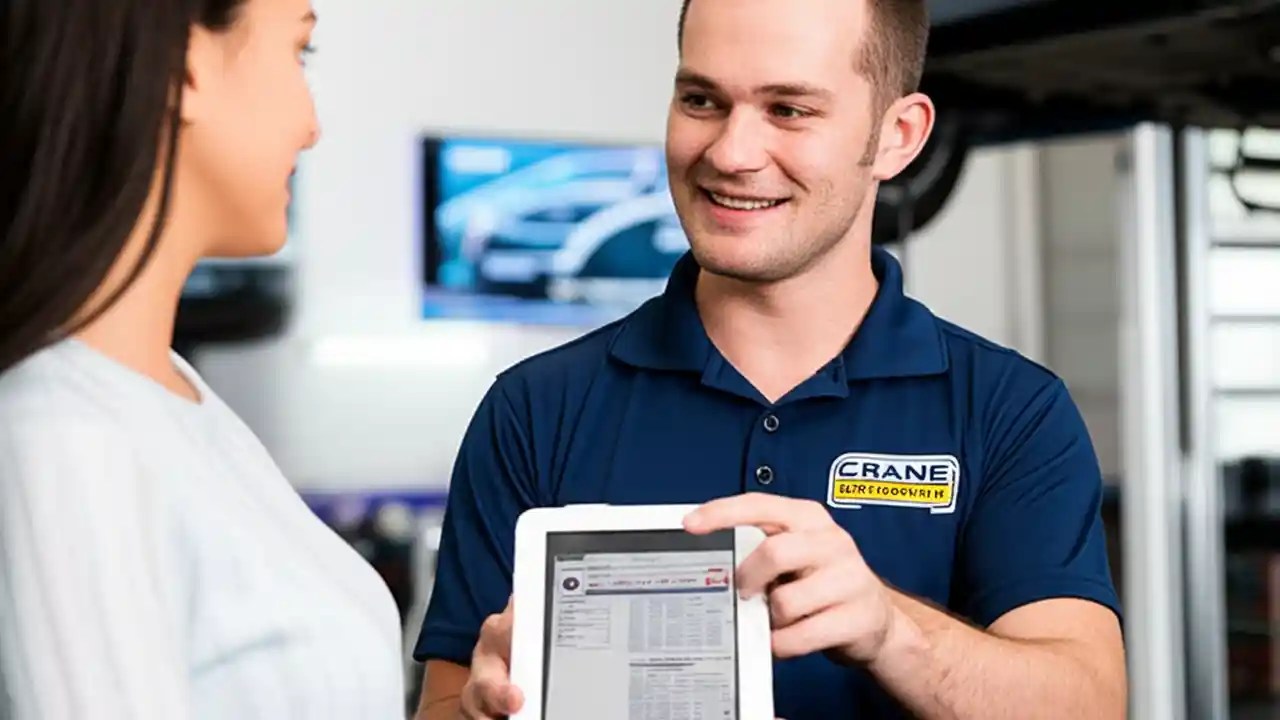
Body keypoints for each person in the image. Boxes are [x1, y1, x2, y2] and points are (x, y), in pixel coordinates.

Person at [411, 0, 1127, 717]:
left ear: (898, 136)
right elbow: (445, 702)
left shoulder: (1008, 412)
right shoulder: (536, 411)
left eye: (788, 110)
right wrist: (480, 709)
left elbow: (1089, 703)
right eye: (702, 100)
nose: (730, 153)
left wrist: (890, 631)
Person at [0, 2, 405, 718]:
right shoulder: (62, 437)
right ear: (187, 68)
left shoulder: (178, 401)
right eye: (299, 53)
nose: (312, 125)